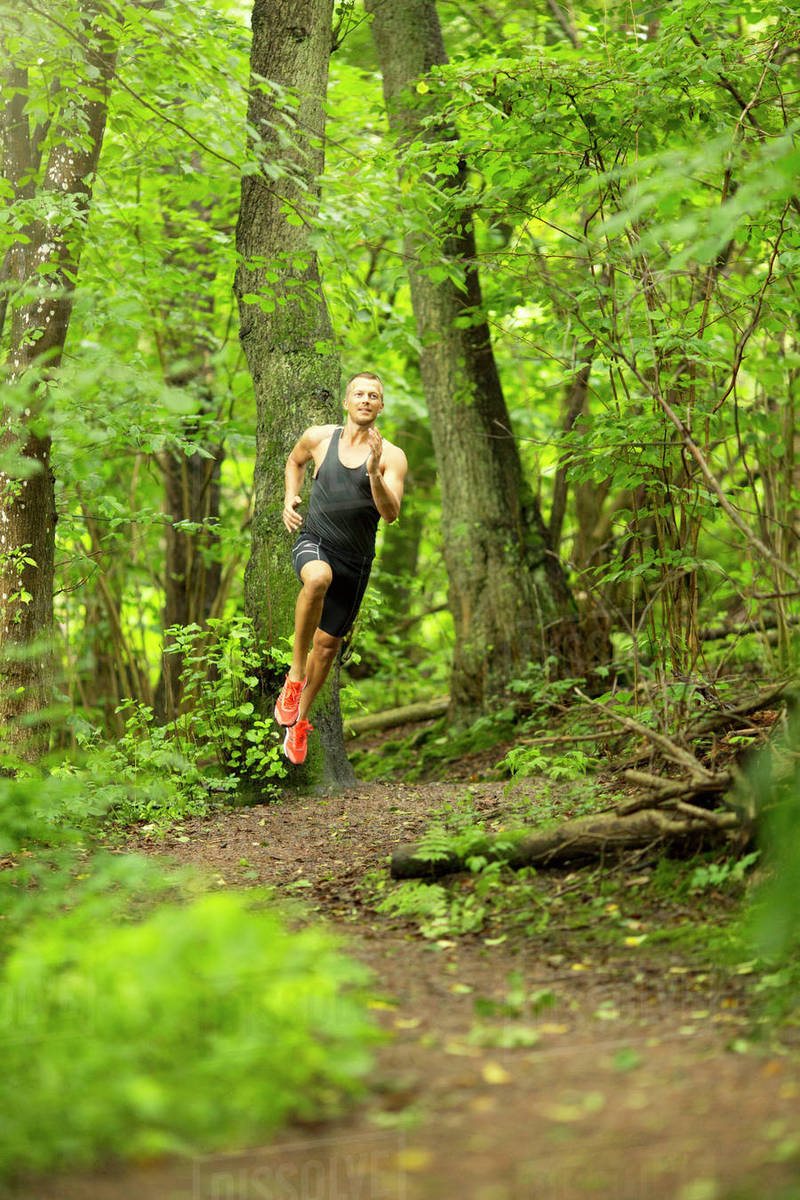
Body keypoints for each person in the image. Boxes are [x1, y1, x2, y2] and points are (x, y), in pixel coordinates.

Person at [273, 371, 408, 764]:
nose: (366, 399)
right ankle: (294, 678)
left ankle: (299, 721)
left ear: (381, 406)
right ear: (346, 402)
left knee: (328, 646)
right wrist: (290, 497)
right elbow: (294, 461)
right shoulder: (320, 438)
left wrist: (373, 472)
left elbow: (391, 514)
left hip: (357, 560)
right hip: (315, 539)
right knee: (317, 577)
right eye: (359, 394)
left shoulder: (392, 456)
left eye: (374, 395)